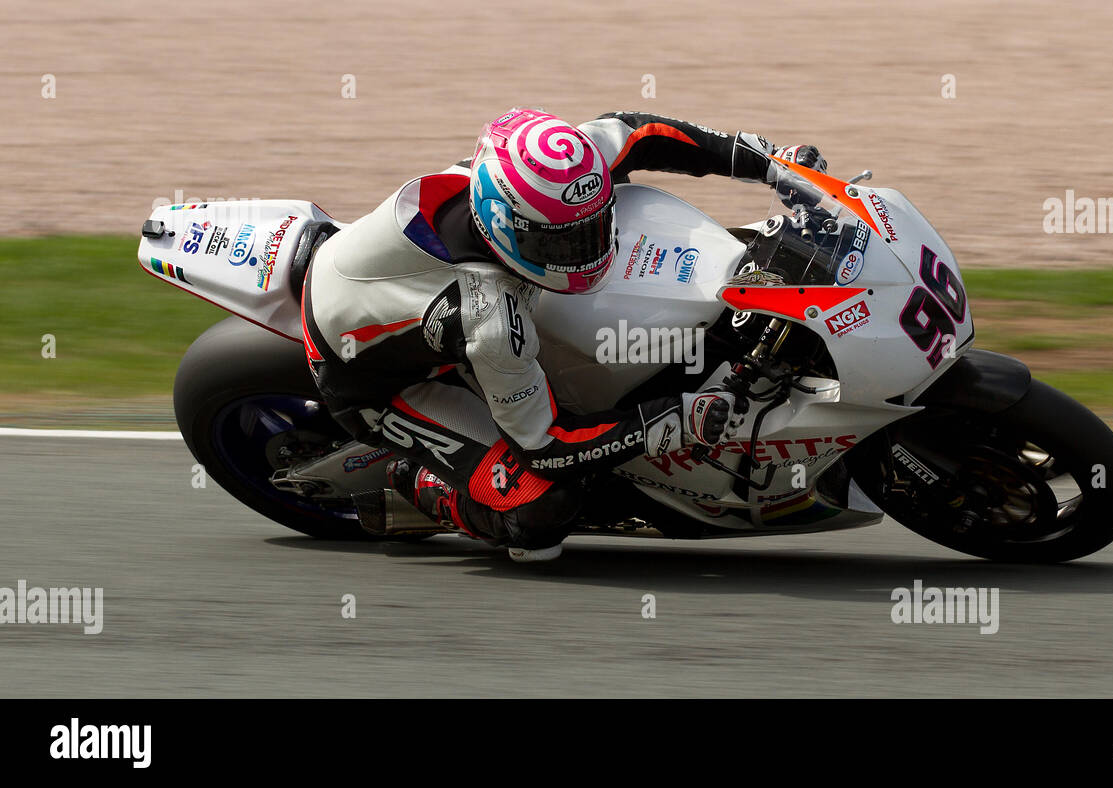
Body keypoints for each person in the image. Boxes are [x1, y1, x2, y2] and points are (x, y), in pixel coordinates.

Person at [301, 108, 827, 561]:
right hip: (371, 378)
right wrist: (671, 416)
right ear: (504, 227)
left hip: (398, 290)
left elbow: (640, 132)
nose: (587, 250)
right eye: (563, 244)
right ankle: (414, 485)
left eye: (594, 225)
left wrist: (768, 162)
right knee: (543, 512)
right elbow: (544, 446)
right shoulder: (489, 319)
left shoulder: (548, 171)